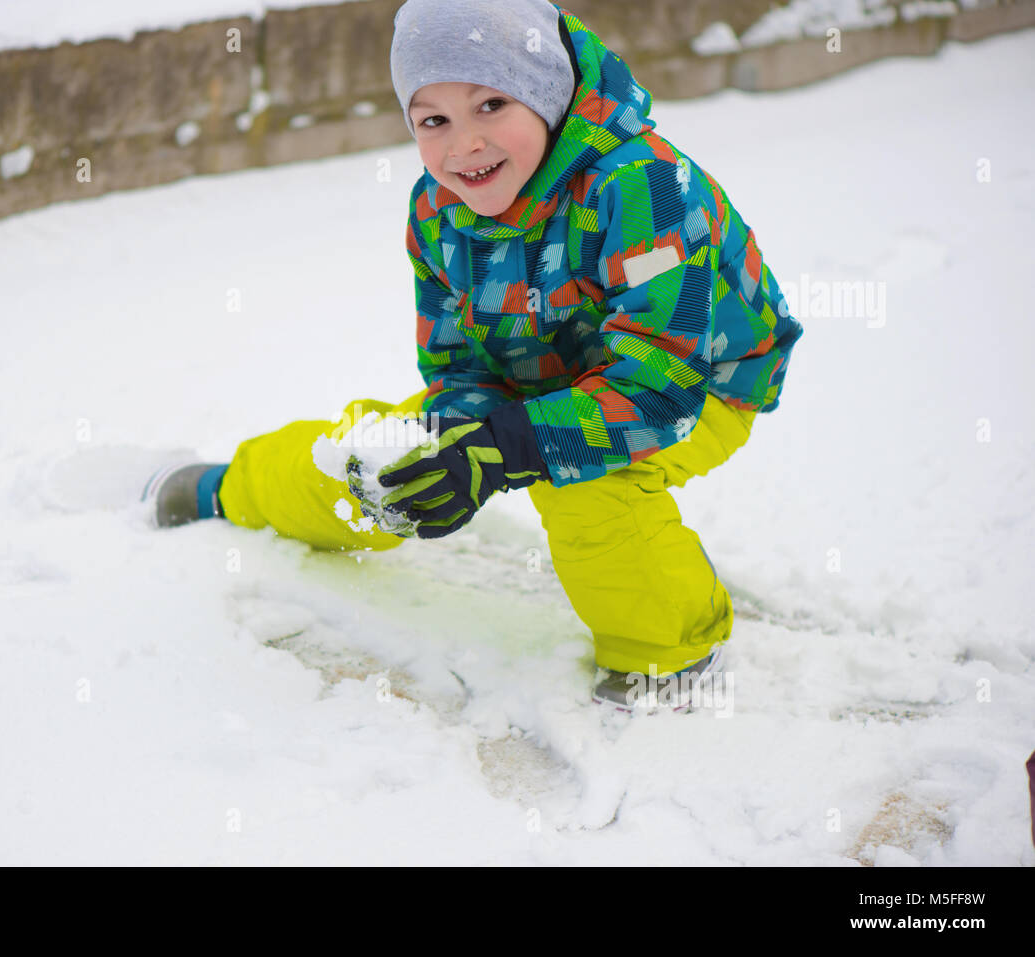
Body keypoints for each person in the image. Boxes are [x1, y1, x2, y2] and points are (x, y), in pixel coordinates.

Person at [144, 0, 803, 711]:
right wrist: (450, 444)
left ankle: (667, 661)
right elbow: (457, 366)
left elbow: (655, 389)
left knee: (587, 480)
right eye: (433, 120)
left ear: (547, 93)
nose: (464, 146)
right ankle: (232, 488)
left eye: (492, 103)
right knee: (387, 455)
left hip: (698, 384)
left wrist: (500, 450)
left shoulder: (644, 188)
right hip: (541, 379)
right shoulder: (436, 210)